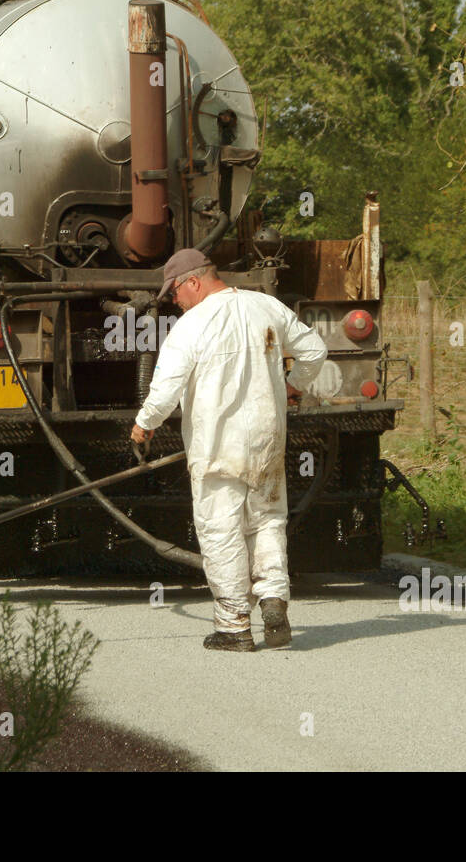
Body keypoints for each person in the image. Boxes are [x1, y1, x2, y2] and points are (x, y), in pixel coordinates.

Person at [130, 248, 328, 651]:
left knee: (221, 530)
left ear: (194, 282)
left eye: (175, 292)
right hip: (267, 440)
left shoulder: (191, 326)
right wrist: (294, 385)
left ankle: (234, 627)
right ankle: (274, 600)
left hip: (217, 446)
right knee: (268, 520)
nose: (174, 300)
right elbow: (314, 350)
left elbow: (166, 387)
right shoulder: (265, 307)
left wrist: (144, 424)